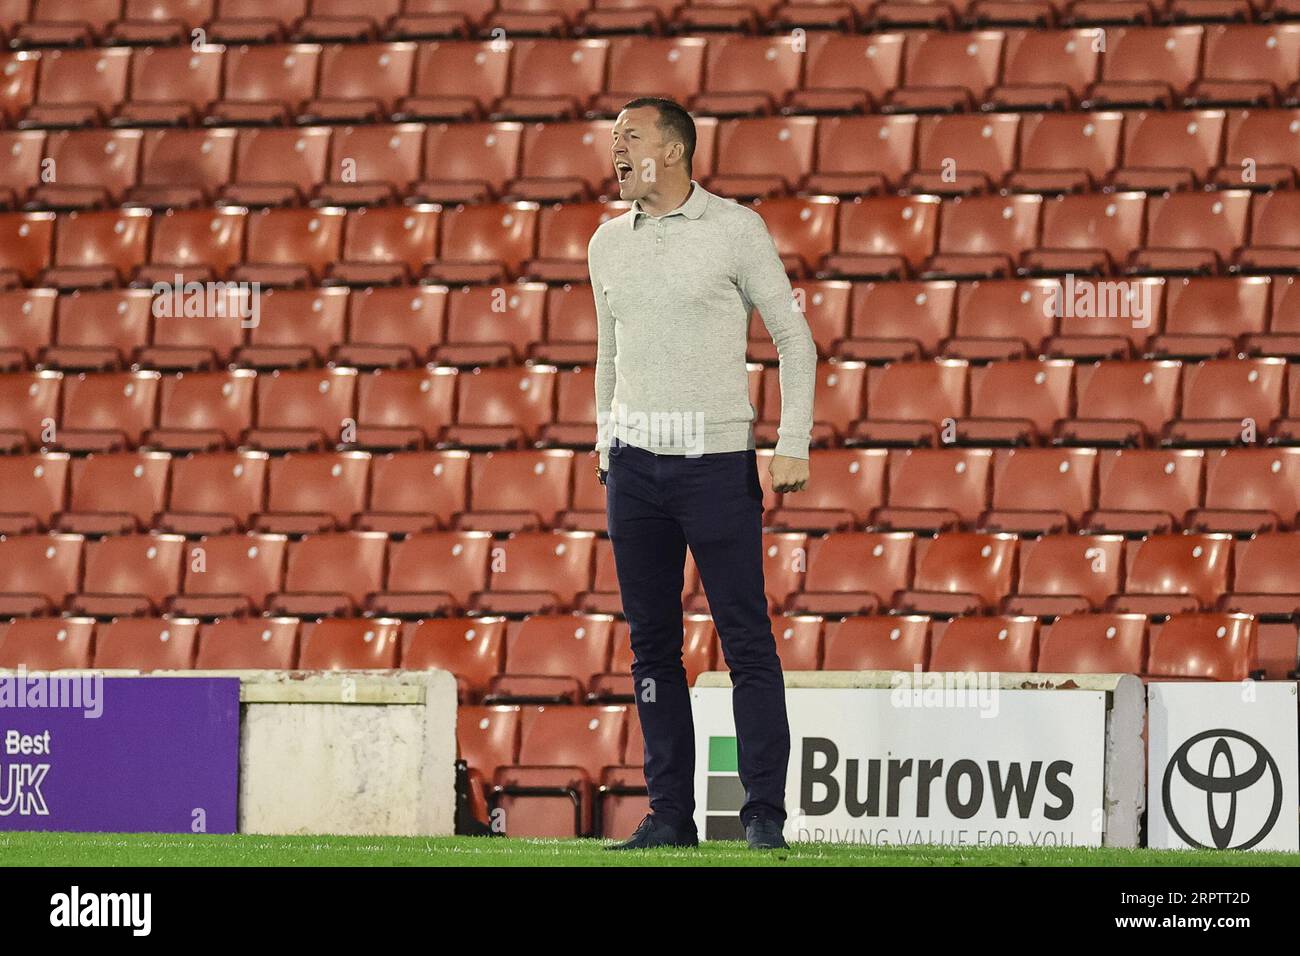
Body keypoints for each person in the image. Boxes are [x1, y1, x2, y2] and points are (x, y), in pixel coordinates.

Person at [588, 97, 817, 850]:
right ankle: (669, 817)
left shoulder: (736, 230)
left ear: (676, 150)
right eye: (613, 137)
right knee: (651, 647)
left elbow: (793, 336)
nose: (615, 147)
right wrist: (603, 438)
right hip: (635, 466)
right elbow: (606, 354)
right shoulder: (605, 244)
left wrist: (793, 441)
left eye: (631, 136)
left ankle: (763, 818)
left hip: (716, 462)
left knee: (745, 638)